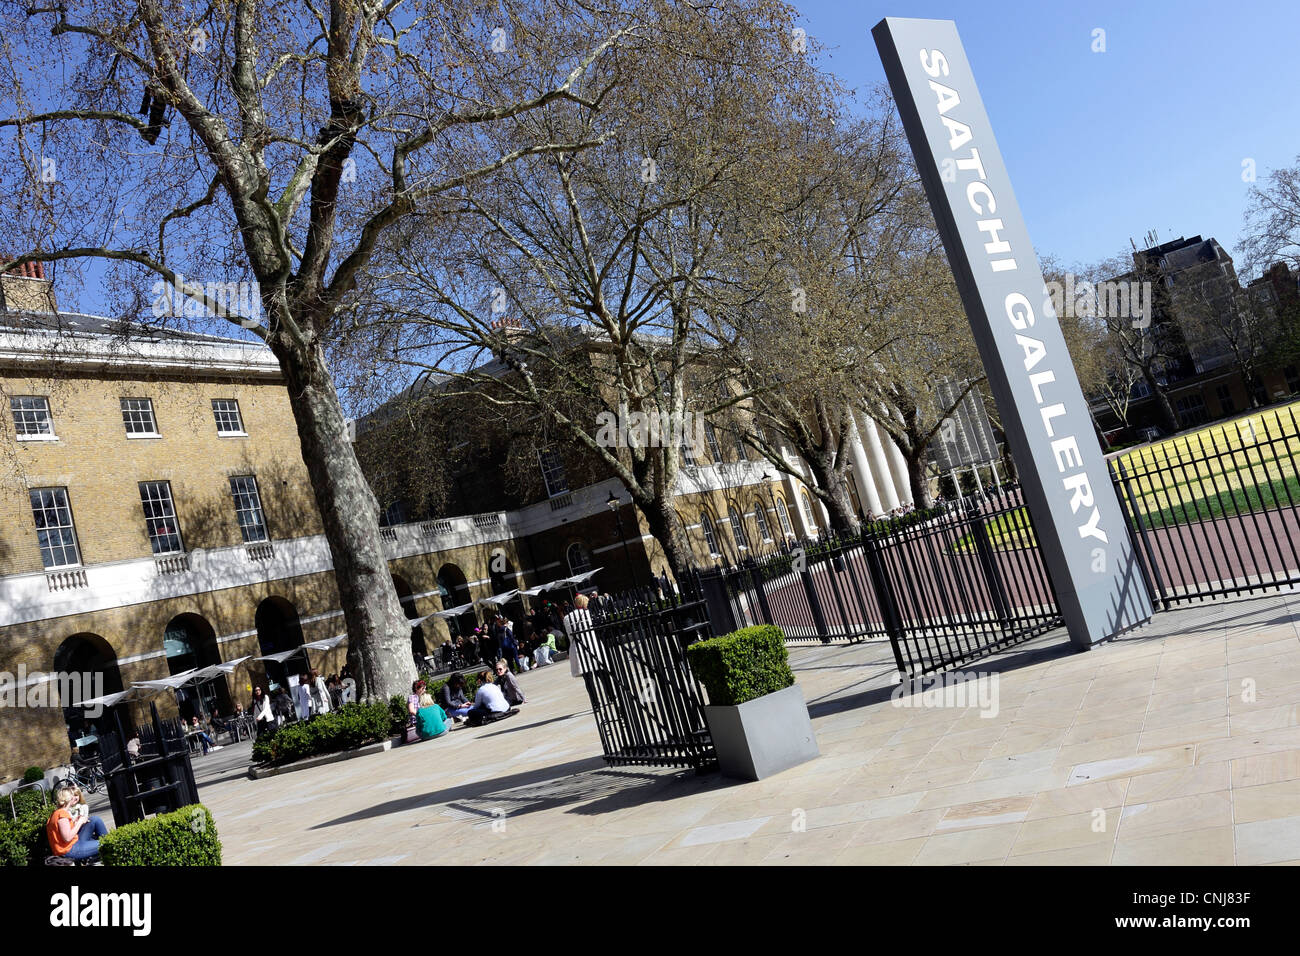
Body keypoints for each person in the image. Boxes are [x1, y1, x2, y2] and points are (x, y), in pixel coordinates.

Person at [46, 784, 108, 862]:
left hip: (73, 843)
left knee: (94, 819)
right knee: (107, 842)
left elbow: (63, 833)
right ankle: (108, 850)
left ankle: (105, 852)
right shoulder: (62, 814)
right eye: (73, 796)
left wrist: (75, 822)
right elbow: (67, 838)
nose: (75, 798)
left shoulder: (57, 812)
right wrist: (80, 822)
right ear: (69, 799)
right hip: (69, 850)